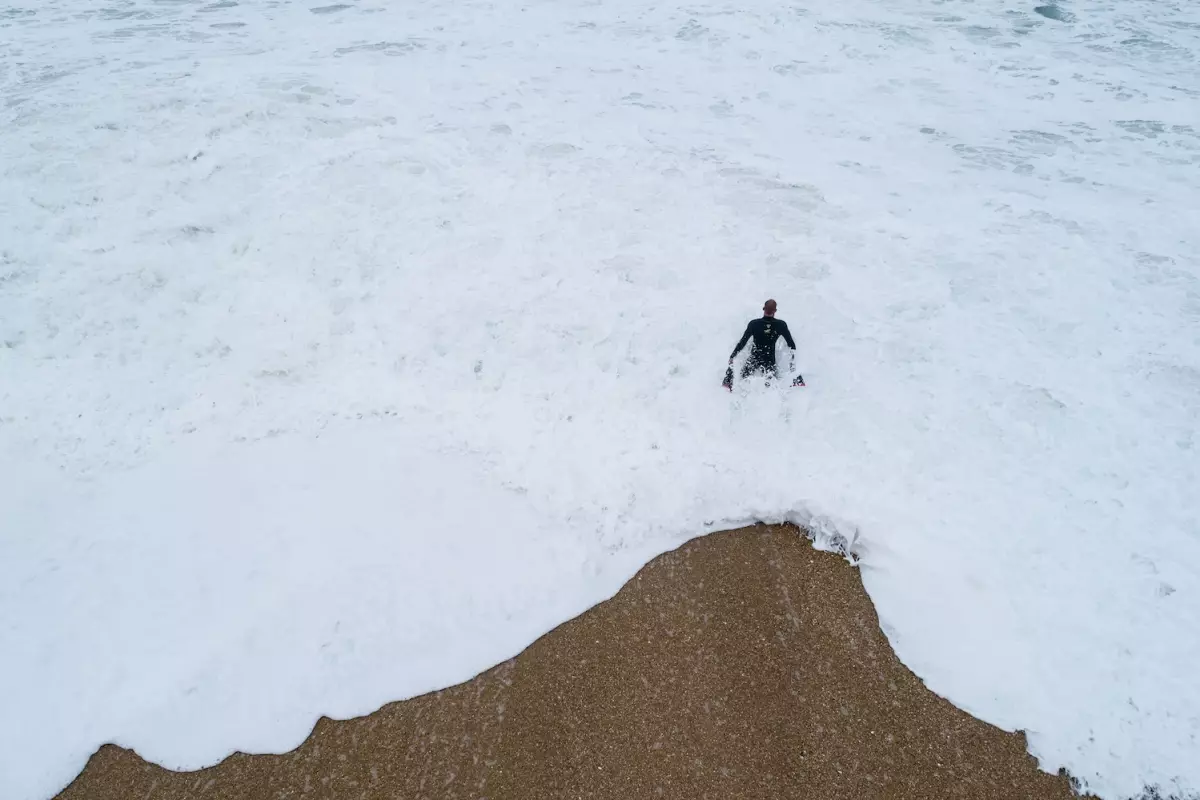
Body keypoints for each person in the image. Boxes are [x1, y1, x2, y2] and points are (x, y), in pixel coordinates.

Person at [725, 299, 804, 388]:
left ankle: (729, 385)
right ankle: (796, 382)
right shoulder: (781, 325)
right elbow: (791, 345)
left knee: (742, 381)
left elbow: (742, 342)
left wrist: (732, 356)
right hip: (770, 361)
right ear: (775, 311)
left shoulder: (754, 324)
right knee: (772, 387)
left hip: (754, 359)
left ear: (763, 309)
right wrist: (792, 366)